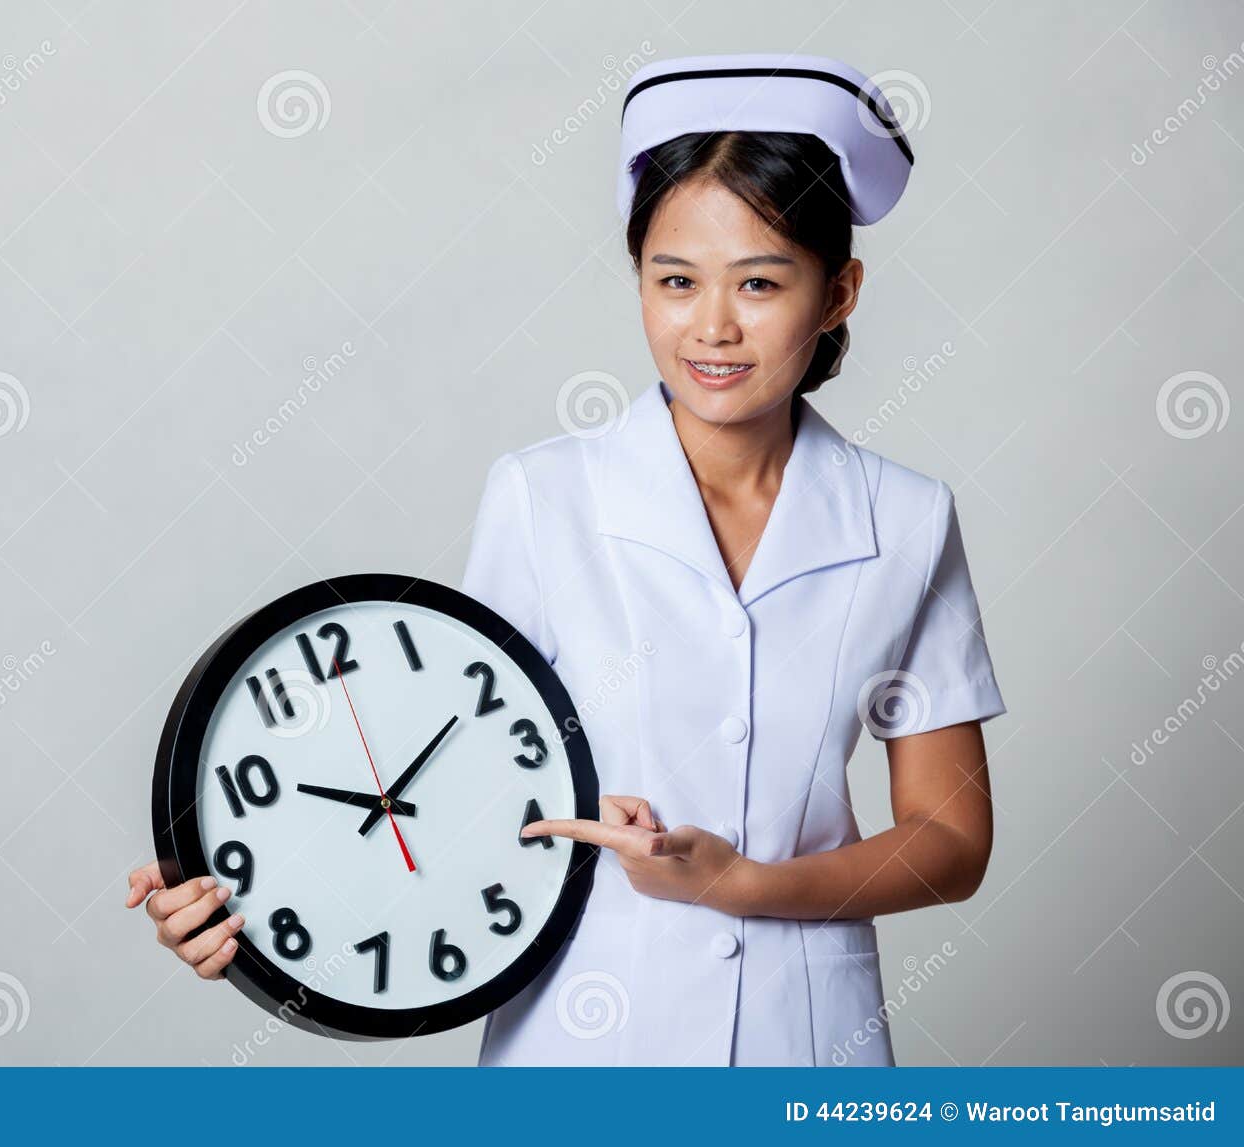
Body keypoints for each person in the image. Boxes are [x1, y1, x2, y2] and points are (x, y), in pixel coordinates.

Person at [128, 52, 1007, 1067]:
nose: (711, 327)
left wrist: (741, 884)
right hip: (580, 1035)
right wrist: (245, 895)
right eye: (674, 280)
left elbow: (949, 843)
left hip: (803, 1038)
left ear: (837, 292)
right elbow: (445, 777)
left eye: (760, 283)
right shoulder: (544, 495)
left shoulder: (903, 518)